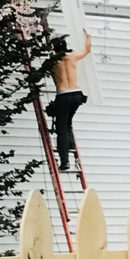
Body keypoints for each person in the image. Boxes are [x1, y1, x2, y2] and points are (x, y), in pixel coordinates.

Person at [46, 33, 90, 170]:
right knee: (68, 121)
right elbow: (87, 49)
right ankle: (70, 144)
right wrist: (88, 35)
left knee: (61, 130)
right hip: (77, 95)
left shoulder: (52, 62)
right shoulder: (72, 58)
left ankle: (64, 162)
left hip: (63, 95)